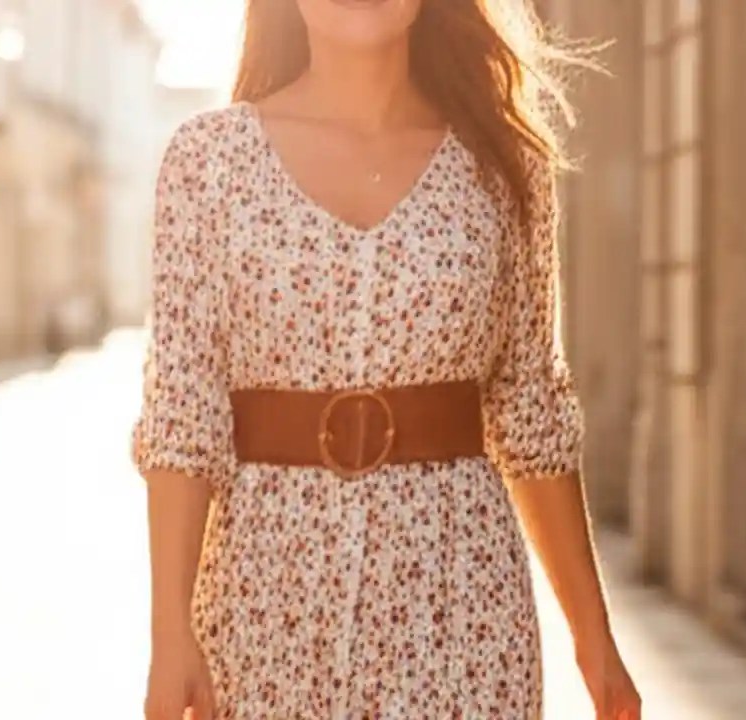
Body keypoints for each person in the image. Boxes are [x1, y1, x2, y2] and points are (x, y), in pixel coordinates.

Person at [132, 1, 642, 718]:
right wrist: (169, 632)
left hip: (462, 607)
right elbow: (184, 413)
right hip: (266, 609)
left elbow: (532, 413)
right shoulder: (208, 163)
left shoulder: (506, 165)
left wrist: (595, 641)